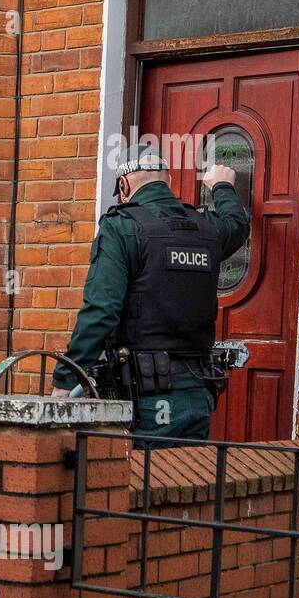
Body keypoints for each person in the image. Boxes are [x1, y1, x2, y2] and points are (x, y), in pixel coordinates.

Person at [52, 143, 250, 440]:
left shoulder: (121, 227)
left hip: (144, 396)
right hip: (198, 392)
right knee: (187, 479)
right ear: (167, 182)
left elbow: (102, 310)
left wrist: (66, 380)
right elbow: (237, 224)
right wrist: (222, 186)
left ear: (124, 184)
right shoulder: (205, 228)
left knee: (139, 482)